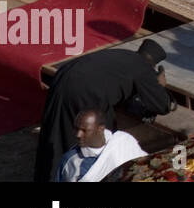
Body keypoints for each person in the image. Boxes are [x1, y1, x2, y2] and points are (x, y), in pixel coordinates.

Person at [34, 39, 171, 182]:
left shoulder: (122, 54)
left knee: (56, 132)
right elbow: (162, 105)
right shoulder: (144, 68)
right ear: (153, 64)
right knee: (88, 141)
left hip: (62, 79)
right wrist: (159, 85)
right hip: (85, 92)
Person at [56, 110, 146, 182]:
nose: (78, 135)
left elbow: (146, 167)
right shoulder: (71, 161)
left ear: (100, 129)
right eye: (76, 129)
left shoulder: (124, 141)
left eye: (84, 130)